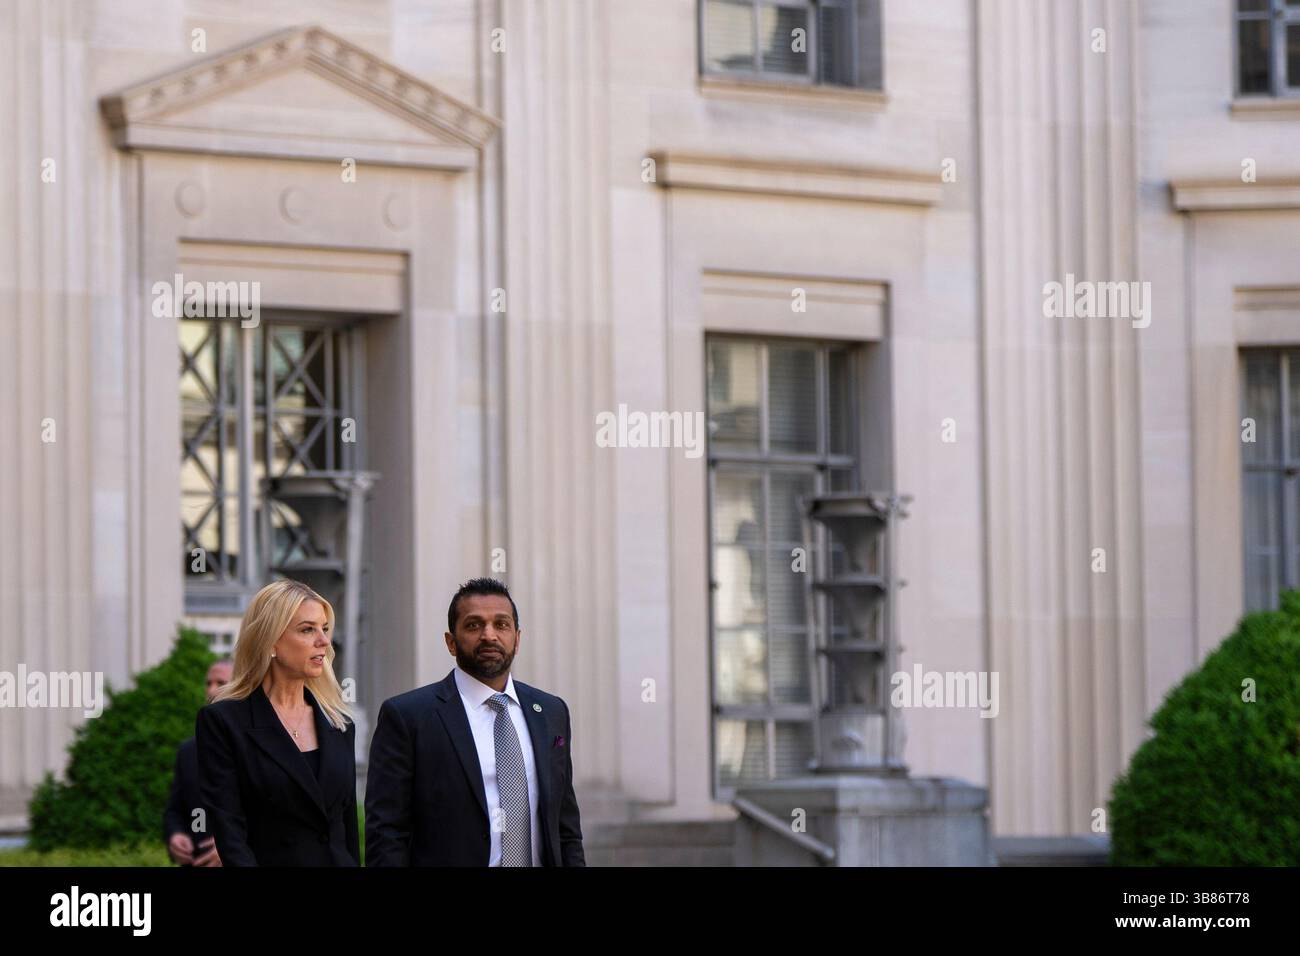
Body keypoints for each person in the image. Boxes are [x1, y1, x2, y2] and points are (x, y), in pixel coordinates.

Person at [365, 577, 585, 866]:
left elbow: (566, 827)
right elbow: (386, 832)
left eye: (501, 624)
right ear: (451, 642)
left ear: (517, 639)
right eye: (473, 625)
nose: (489, 635)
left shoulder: (551, 711)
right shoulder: (407, 717)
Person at [196, 579, 359, 866]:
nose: (323, 640)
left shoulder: (339, 722)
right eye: (307, 629)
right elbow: (231, 833)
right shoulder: (223, 722)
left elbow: (346, 831)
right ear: (270, 641)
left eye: (324, 629)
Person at [163, 659, 233, 866]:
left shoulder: (260, 745)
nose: (211, 690)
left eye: (220, 683)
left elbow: (276, 818)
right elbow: (176, 810)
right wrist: (175, 835)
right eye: (208, 683)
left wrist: (234, 848)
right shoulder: (188, 751)